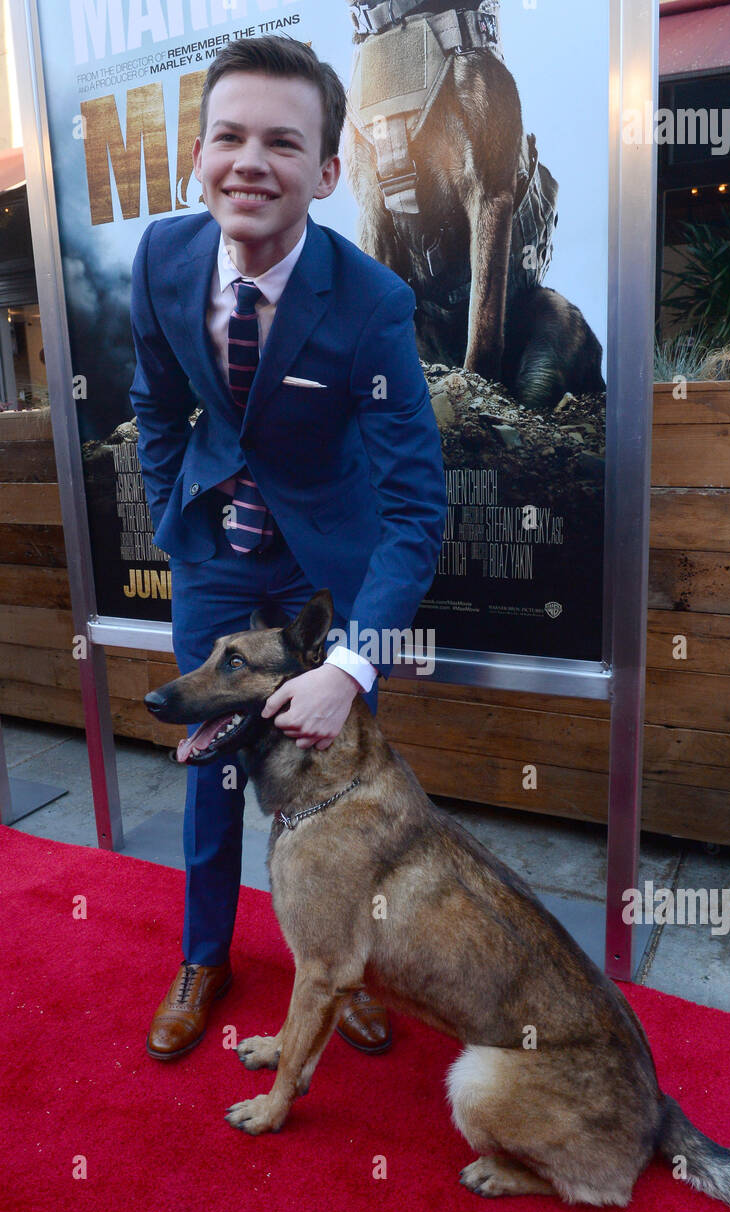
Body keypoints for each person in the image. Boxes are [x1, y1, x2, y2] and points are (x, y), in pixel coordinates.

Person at [129, 35, 446, 1063]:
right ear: (200, 150)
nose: (249, 162)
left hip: (327, 576)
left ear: (327, 170)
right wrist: (177, 514)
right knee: (213, 770)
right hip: (219, 556)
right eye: (229, 136)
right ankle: (206, 954)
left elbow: (415, 508)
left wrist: (351, 664)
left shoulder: (373, 305)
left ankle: (338, 960)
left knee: (334, 778)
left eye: (282, 141)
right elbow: (154, 405)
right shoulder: (163, 260)